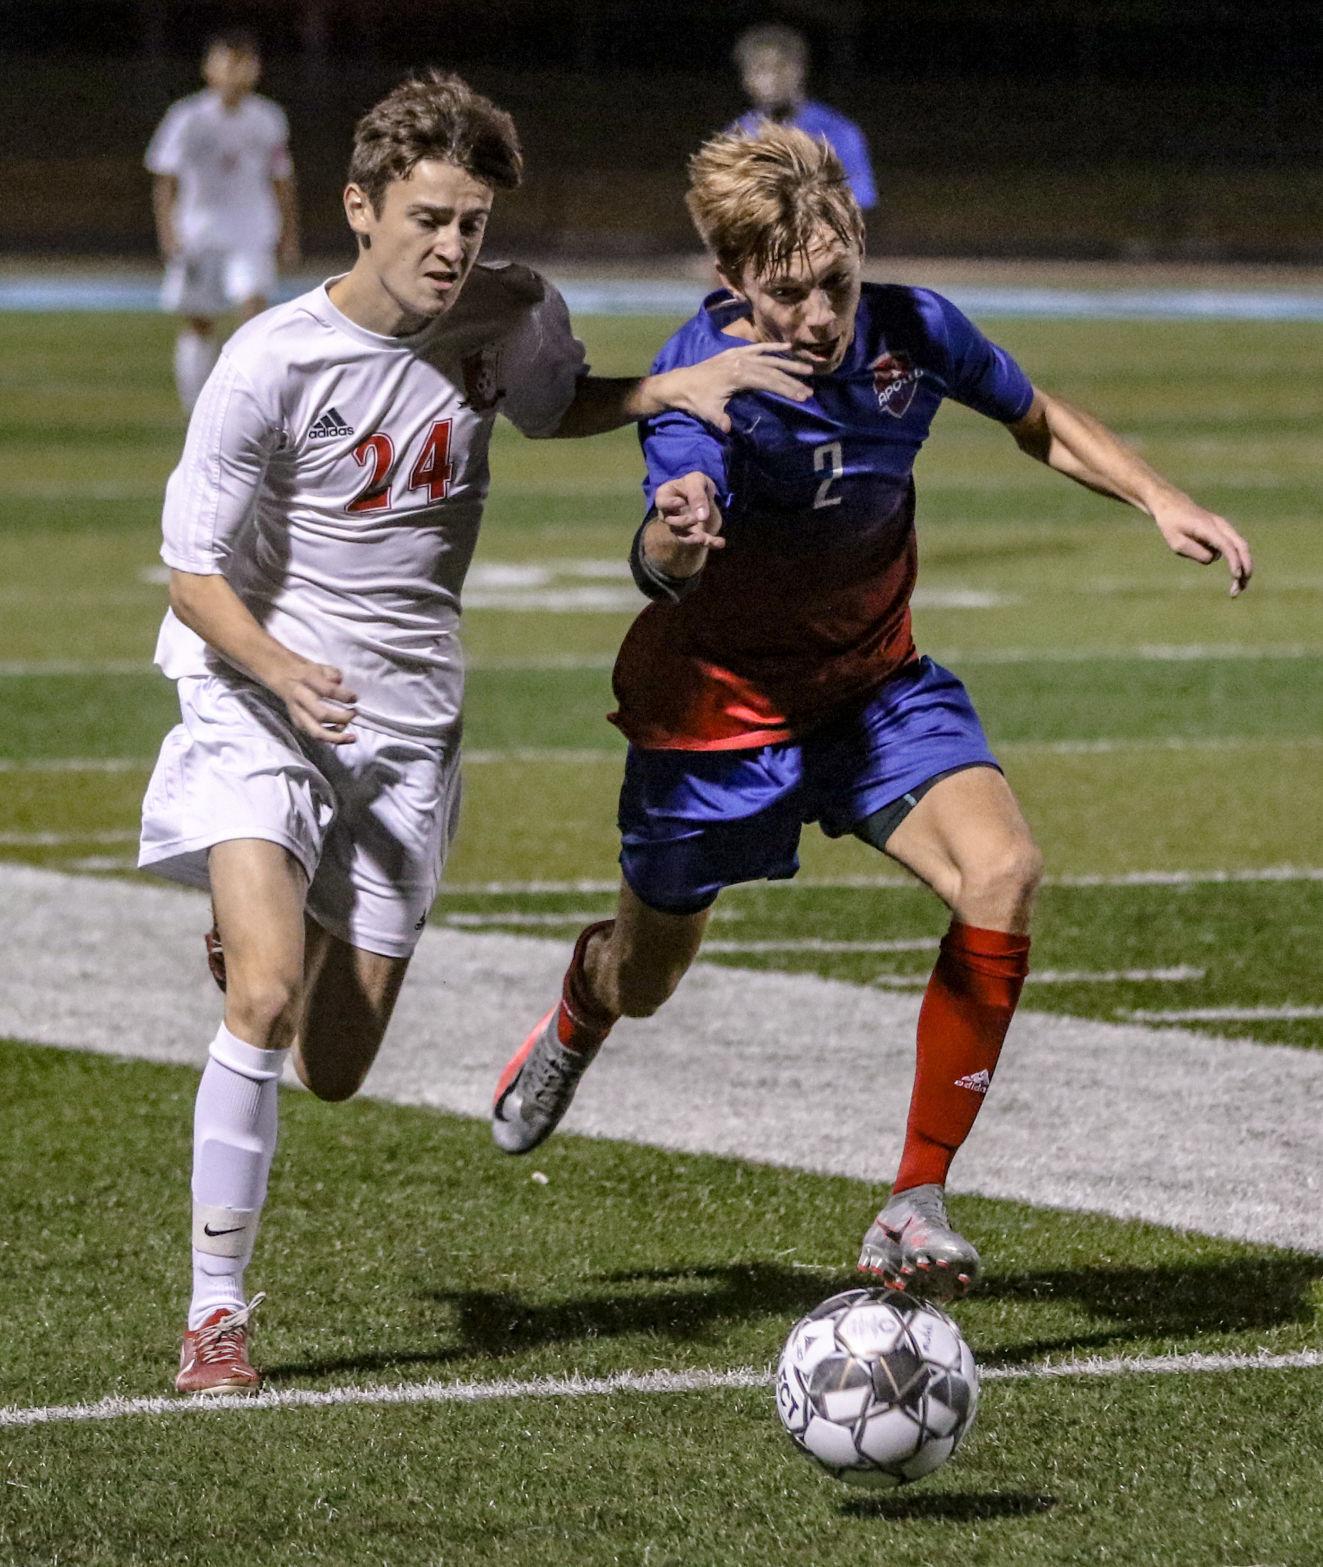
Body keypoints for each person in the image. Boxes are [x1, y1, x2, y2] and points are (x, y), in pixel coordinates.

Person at [492, 124, 1253, 1303]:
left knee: (1002, 872)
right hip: (721, 714)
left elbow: (1034, 413)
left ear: (860, 247)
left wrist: (1160, 496)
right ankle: (581, 1010)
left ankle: (916, 1197)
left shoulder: (916, 329)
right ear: (734, 284)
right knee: (648, 976)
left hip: (874, 687)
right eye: (787, 295)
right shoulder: (702, 379)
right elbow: (662, 554)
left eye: (835, 281)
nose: (818, 316)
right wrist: (676, 534)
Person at [138, 72, 810, 1396]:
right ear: (359, 207)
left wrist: (686, 383)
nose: (452, 246)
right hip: (255, 691)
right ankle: (215, 1314)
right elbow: (191, 574)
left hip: (407, 727)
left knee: (334, 1065)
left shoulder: (508, 310)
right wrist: (281, 663)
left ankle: (265, 909)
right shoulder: (267, 360)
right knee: (263, 992)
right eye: (429, 218)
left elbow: (552, 404)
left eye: (471, 221)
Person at [145, 28, 300, 413]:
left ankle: (246, 408)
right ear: (209, 69)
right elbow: (164, 180)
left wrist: (288, 234)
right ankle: (196, 407)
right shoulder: (187, 117)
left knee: (254, 317)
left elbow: (282, 180)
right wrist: (168, 233)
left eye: (244, 63)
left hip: (251, 232)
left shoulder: (268, 118)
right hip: (200, 235)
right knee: (200, 323)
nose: (236, 72)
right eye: (228, 63)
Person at [731, 24, 876, 212]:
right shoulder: (736, 136)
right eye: (759, 69)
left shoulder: (837, 132)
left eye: (780, 66)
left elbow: (862, 198)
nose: (770, 77)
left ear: (799, 71)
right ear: (746, 79)